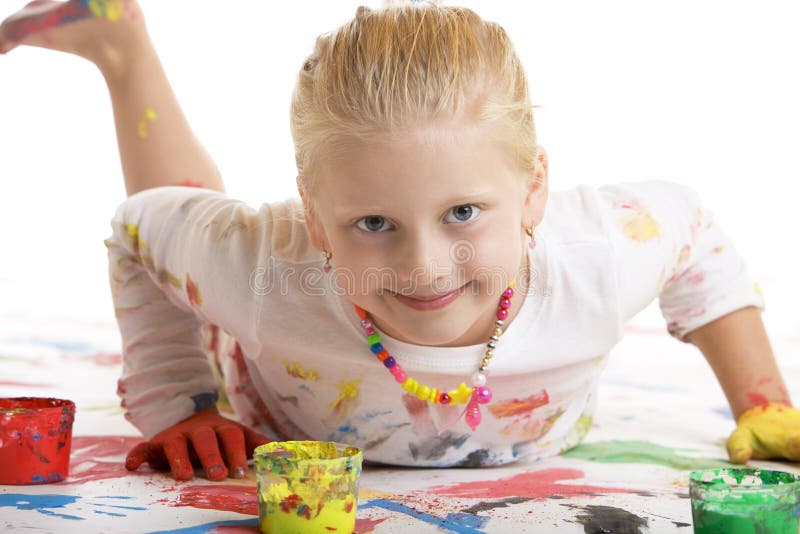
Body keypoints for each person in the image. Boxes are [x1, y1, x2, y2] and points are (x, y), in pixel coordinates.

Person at [2, 0, 798, 482]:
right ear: (316, 218)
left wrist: (762, 403)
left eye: (463, 214)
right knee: (198, 221)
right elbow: (141, 229)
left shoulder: (602, 253)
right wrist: (184, 401)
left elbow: (695, 231)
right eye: (373, 224)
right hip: (269, 386)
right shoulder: (266, 268)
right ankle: (123, 46)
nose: (422, 269)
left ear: (532, 190)